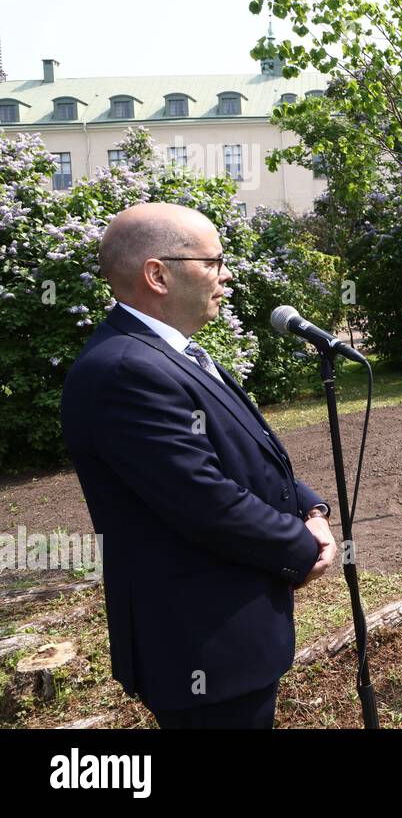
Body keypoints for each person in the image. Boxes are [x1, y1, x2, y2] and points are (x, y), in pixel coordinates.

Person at [61, 202, 337, 728]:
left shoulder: (169, 353)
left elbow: (250, 454)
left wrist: (311, 507)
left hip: (231, 632)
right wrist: (304, 548)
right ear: (158, 275)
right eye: (213, 261)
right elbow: (205, 501)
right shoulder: (124, 370)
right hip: (200, 644)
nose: (226, 274)